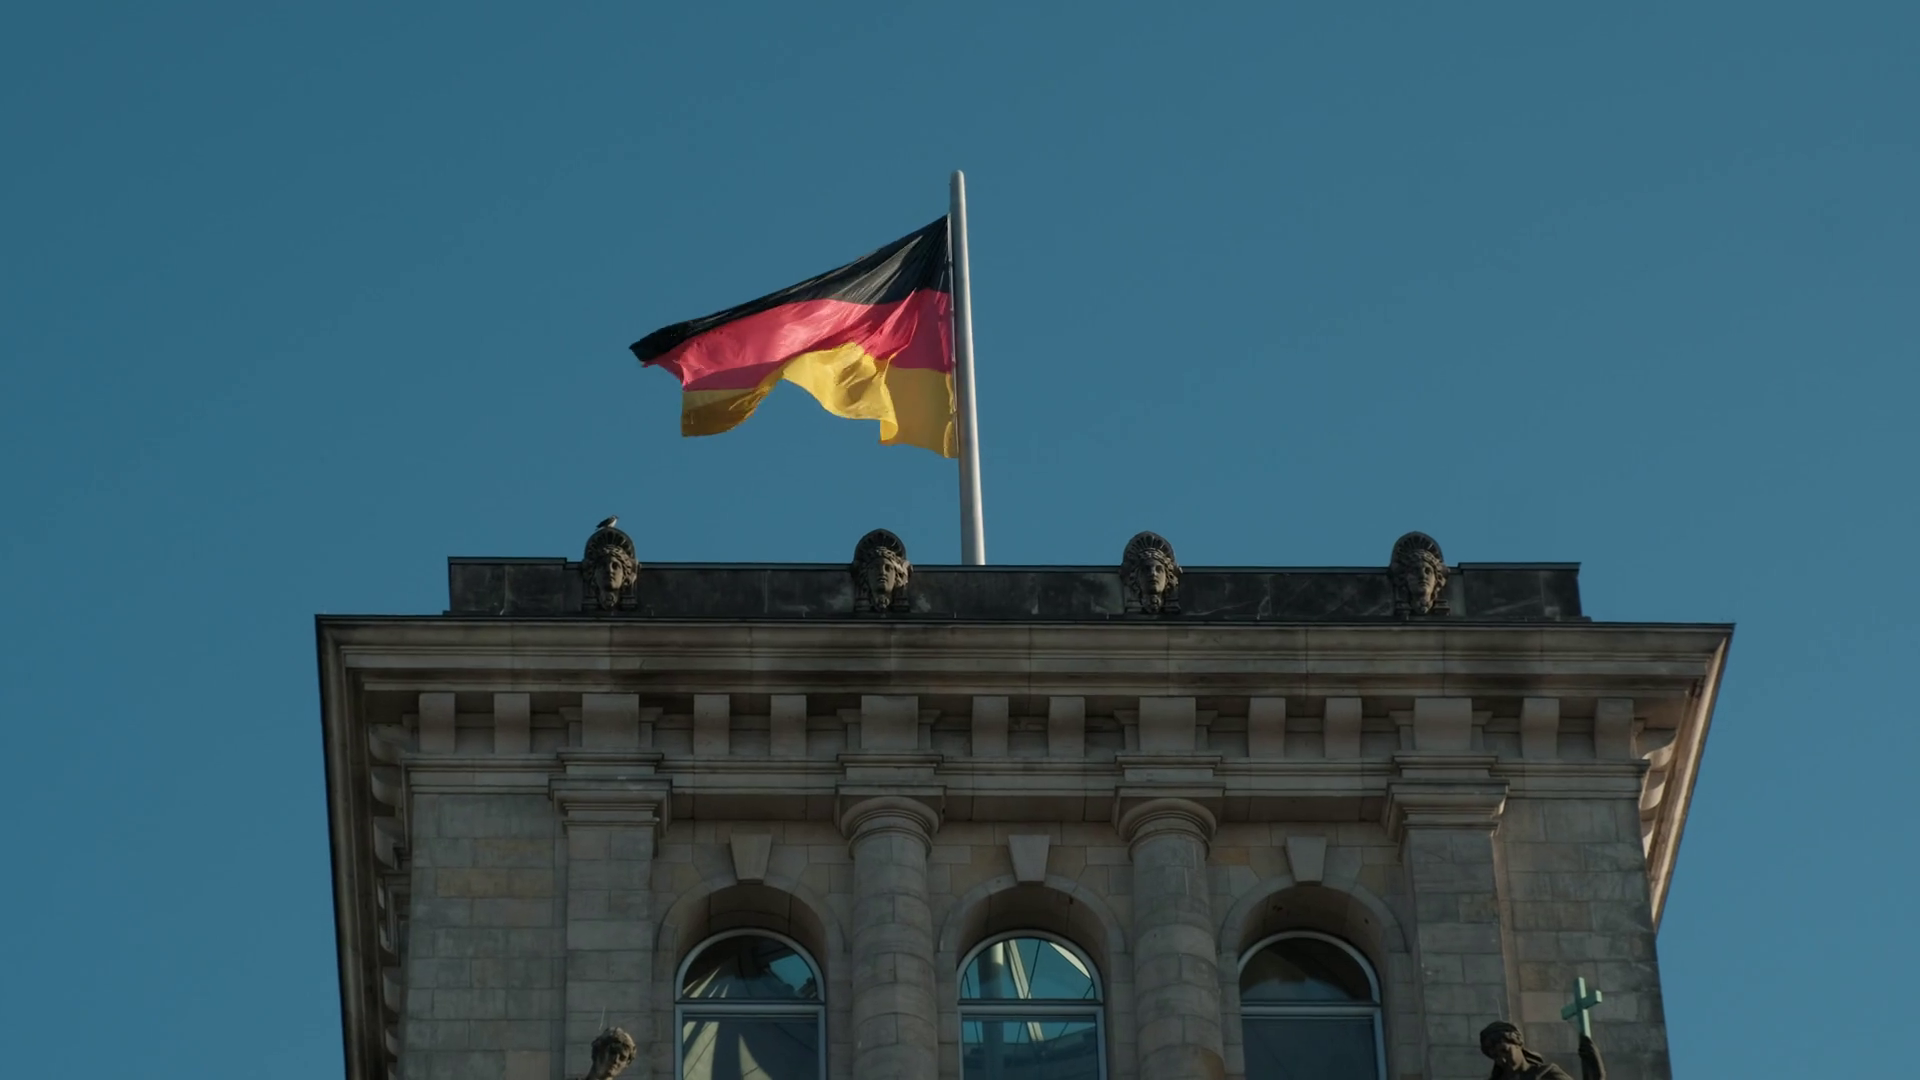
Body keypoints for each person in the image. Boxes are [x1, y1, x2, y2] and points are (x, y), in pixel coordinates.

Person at [1479, 1021, 1604, 1080]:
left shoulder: (1546, 1074)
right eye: (1495, 1056)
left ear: (1518, 1044)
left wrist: (1592, 1065)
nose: (1502, 1059)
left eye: (1504, 1051)